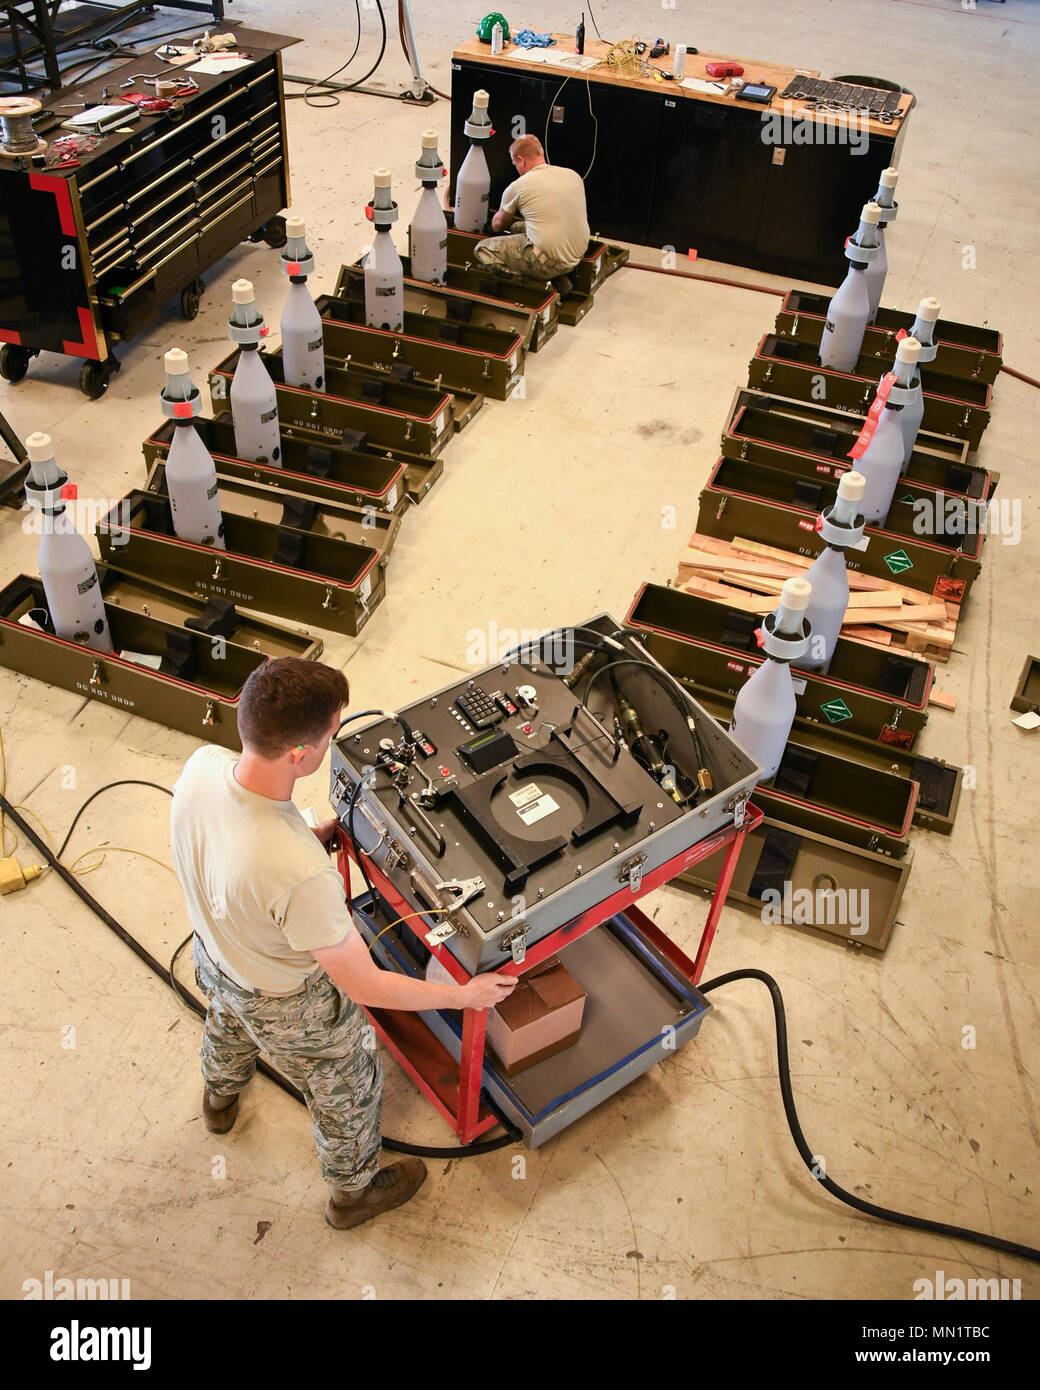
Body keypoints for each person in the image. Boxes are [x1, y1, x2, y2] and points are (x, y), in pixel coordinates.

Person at [170, 657, 516, 1230]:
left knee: (227, 1020)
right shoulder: (301, 875)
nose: (337, 739)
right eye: (333, 732)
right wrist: (467, 996)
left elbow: (237, 841)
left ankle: (219, 1096)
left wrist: (307, 836)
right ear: (300, 754)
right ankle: (354, 1194)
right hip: (285, 1004)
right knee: (348, 1076)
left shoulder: (204, 766)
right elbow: (364, 985)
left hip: (216, 953)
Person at [474, 134, 590, 290]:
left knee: (482, 250)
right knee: (516, 227)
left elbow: (498, 225)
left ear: (521, 160)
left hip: (550, 262)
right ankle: (557, 274)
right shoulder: (572, 175)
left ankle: (543, 284)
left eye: (515, 164)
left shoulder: (519, 186)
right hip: (577, 254)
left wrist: (491, 227)